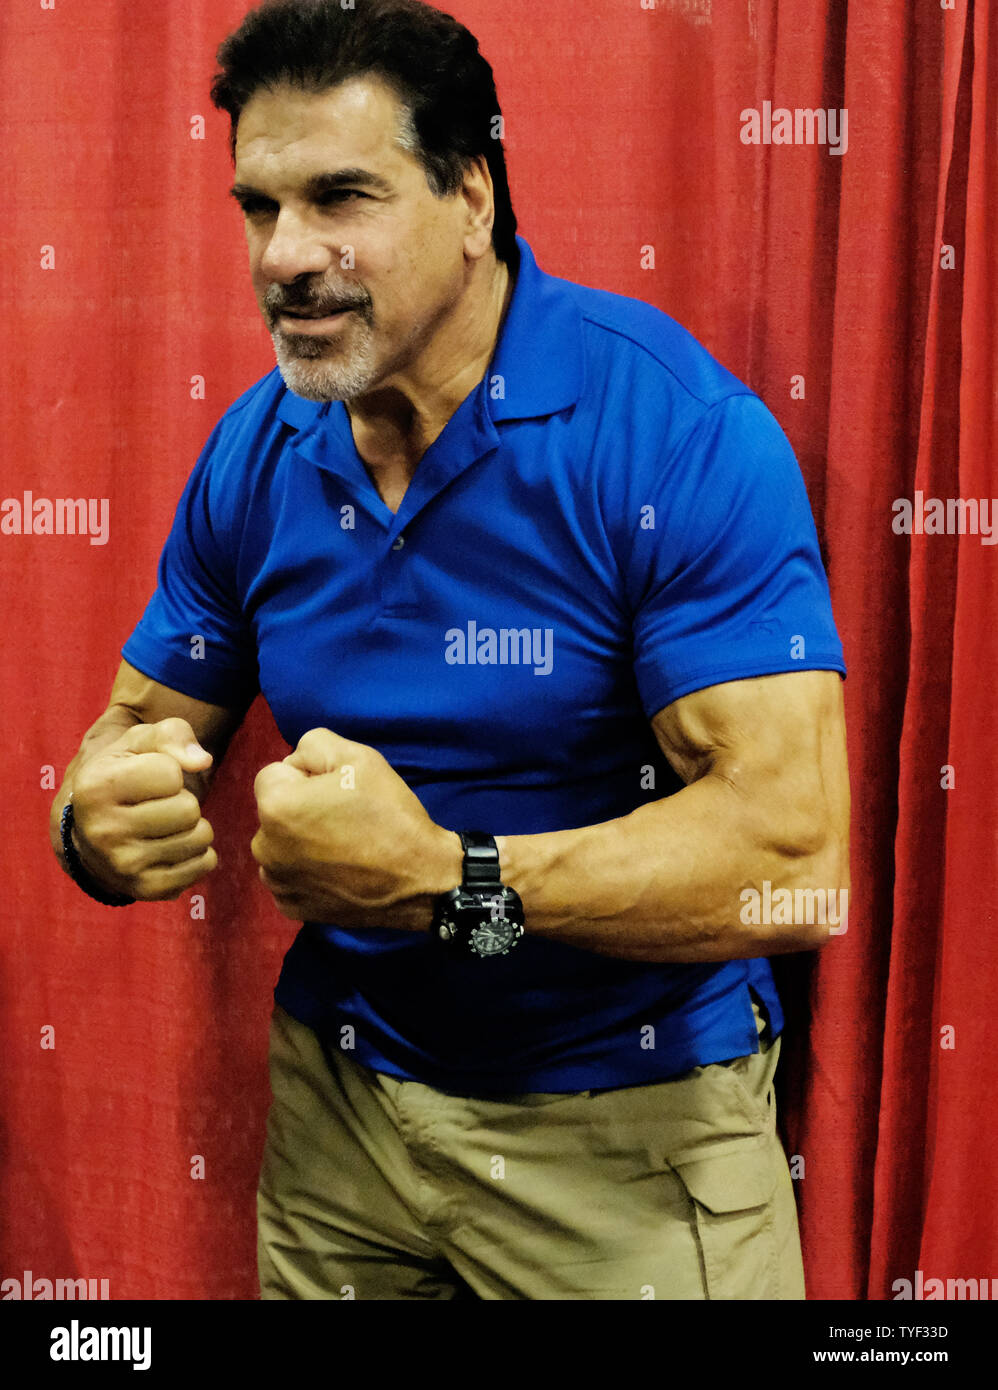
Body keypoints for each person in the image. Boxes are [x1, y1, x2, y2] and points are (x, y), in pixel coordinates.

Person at [49, 0, 849, 1301]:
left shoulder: (672, 433)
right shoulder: (257, 450)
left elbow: (795, 858)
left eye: (340, 198)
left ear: (470, 195)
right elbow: (138, 731)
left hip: (624, 1138)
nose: (285, 257)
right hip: (341, 1114)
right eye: (259, 207)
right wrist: (95, 819)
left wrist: (445, 877)